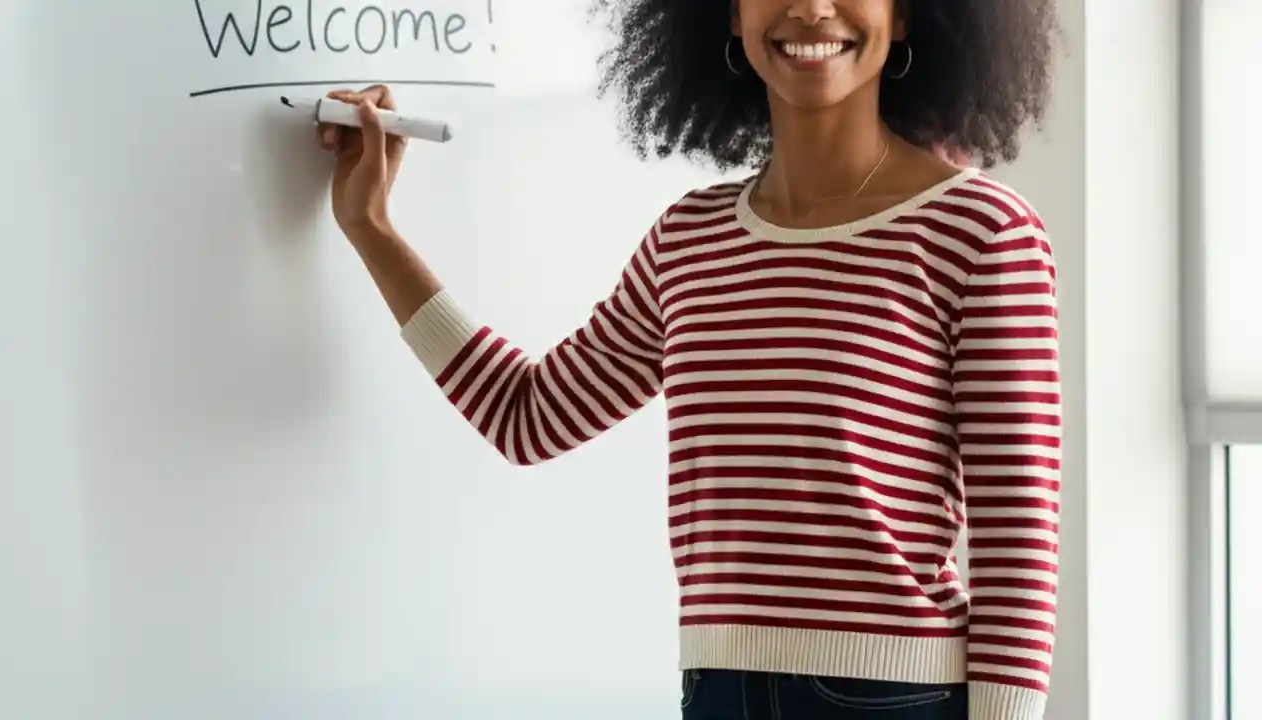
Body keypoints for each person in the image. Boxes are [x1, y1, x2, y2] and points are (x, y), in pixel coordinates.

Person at [315, 1, 1061, 718]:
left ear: (905, 13)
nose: (810, 8)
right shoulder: (690, 241)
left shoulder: (980, 233)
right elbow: (528, 417)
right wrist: (371, 227)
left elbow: (1018, 542)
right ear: (729, 13)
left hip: (895, 699)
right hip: (717, 691)